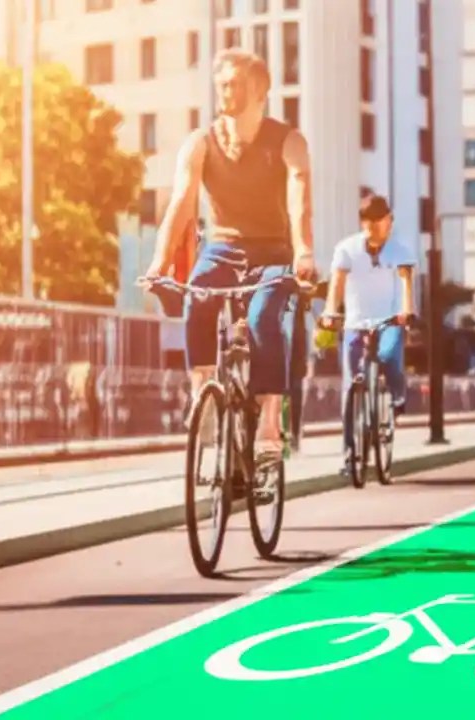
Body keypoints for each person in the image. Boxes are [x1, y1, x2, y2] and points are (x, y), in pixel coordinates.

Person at [142, 48, 315, 462]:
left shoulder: (289, 142)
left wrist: (304, 251)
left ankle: (270, 421)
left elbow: (300, 199)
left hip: (273, 251)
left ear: (260, 91)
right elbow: (181, 204)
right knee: (198, 297)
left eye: (234, 84)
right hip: (222, 248)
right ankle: (202, 394)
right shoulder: (200, 143)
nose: (225, 91)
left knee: (263, 319)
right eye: (221, 83)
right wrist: (159, 263)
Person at [320, 194, 416, 459]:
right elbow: (337, 283)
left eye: (379, 219)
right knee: (350, 385)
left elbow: (406, 282)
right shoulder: (346, 249)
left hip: (390, 320)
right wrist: (330, 311)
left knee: (389, 355)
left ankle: (397, 396)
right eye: (367, 220)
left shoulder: (400, 250)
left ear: (389, 221)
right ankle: (349, 454)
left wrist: (407, 311)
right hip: (356, 322)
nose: (373, 225)